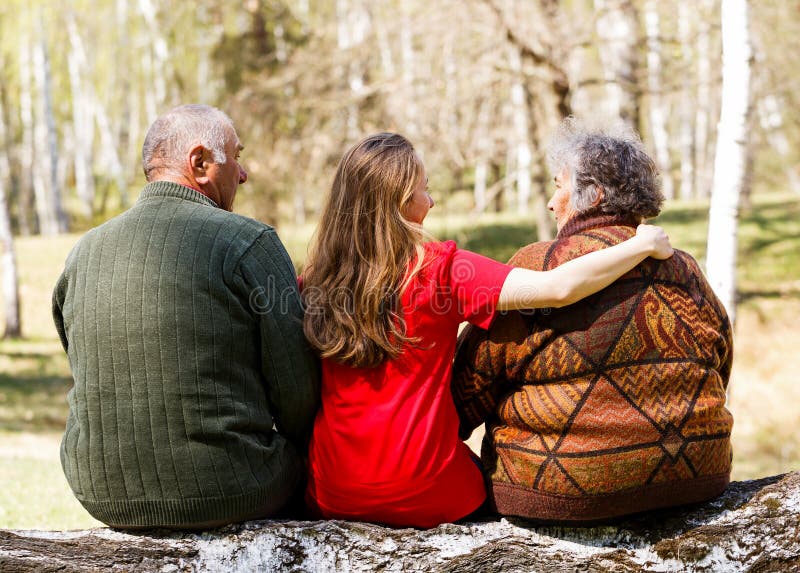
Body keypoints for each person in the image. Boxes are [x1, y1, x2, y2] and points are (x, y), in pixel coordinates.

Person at [301, 131, 673, 528]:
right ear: (399, 202)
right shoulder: (441, 270)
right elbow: (559, 287)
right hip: (427, 490)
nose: (432, 201)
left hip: (333, 491)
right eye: (424, 191)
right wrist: (640, 246)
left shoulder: (313, 283)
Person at [451, 118, 733, 523]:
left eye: (558, 186)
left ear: (594, 195)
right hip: (699, 477)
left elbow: (467, 391)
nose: (551, 203)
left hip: (562, 493)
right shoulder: (683, 267)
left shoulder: (541, 266)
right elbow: (720, 364)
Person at [52, 104, 319, 529]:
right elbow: (299, 398)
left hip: (100, 490)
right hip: (231, 486)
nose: (244, 173)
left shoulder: (83, 252)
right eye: (236, 156)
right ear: (199, 163)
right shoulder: (249, 243)